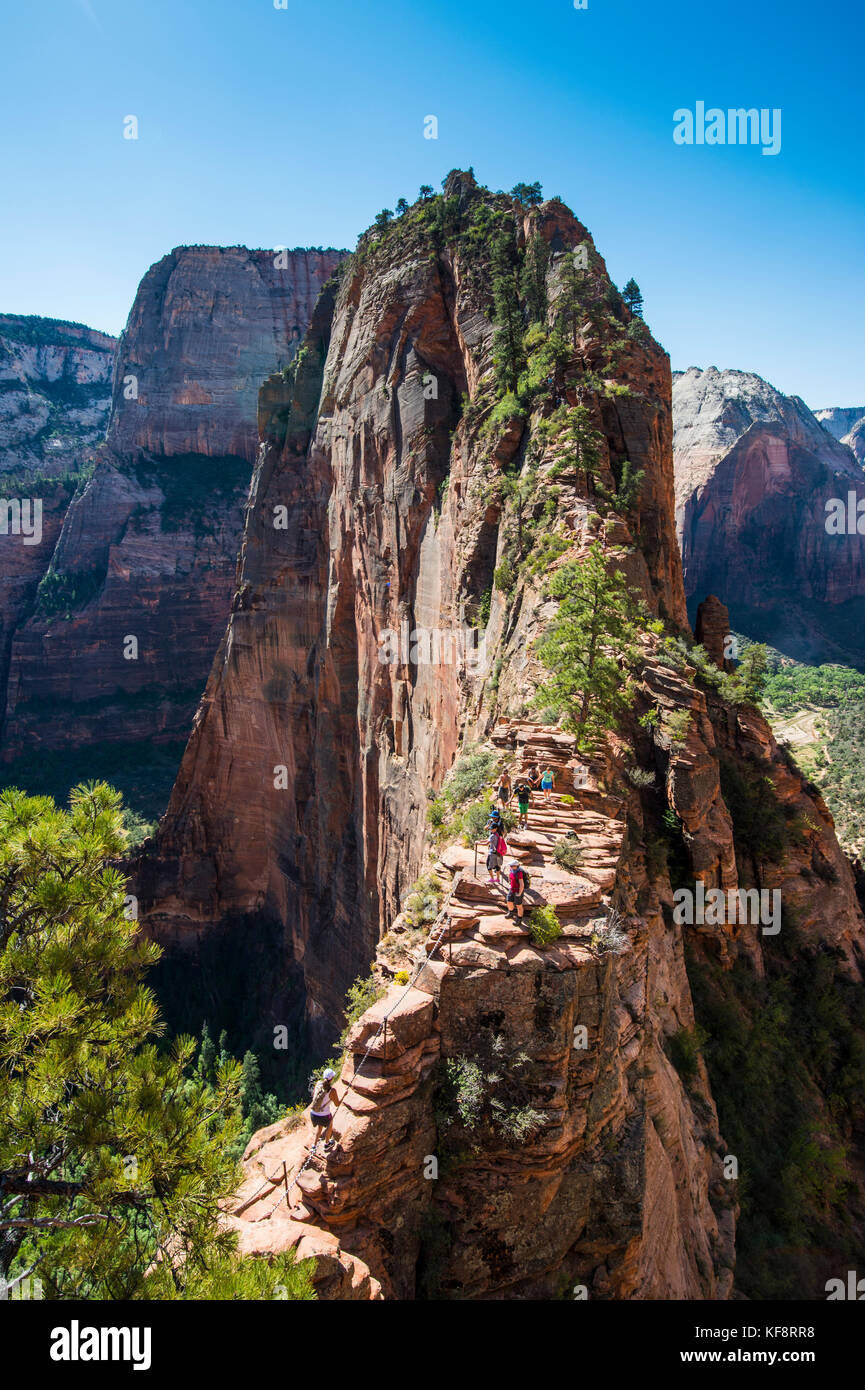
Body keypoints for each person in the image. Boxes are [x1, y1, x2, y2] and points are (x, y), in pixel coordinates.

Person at [309, 1067, 339, 1152]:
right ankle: (327, 1144)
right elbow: (337, 1104)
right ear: (332, 1078)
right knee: (330, 1125)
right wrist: (344, 1095)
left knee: (320, 1127)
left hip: (313, 1114)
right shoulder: (332, 1090)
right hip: (324, 1116)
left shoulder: (318, 1083)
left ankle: (314, 1146)